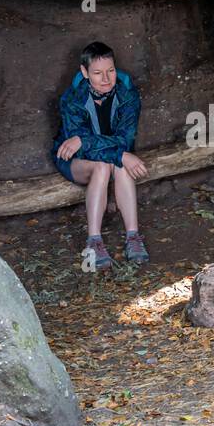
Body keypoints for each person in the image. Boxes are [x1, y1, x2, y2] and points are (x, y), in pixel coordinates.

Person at [51, 41, 149, 268]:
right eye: (97, 73)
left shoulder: (128, 94)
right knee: (105, 165)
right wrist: (116, 152)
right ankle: (94, 241)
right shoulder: (72, 98)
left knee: (119, 161)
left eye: (111, 71)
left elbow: (124, 139)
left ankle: (133, 237)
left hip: (111, 156)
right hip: (74, 160)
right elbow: (79, 149)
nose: (106, 79)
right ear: (84, 72)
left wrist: (85, 140)